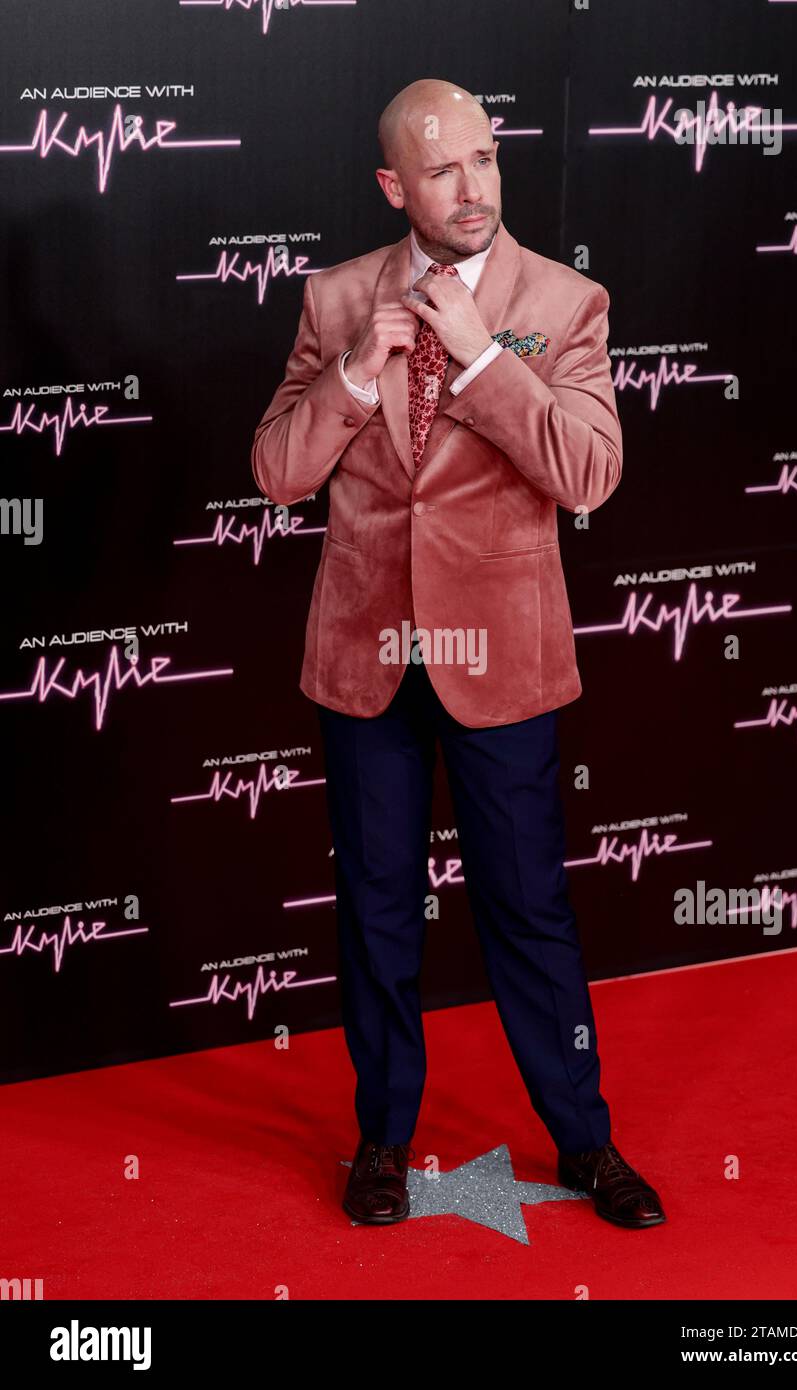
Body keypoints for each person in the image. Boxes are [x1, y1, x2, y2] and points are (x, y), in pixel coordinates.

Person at [251, 78, 665, 1231]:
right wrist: (347, 378)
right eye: (442, 169)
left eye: (484, 159)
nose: (472, 186)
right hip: (366, 655)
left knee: (527, 906)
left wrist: (483, 363)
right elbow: (277, 472)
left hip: (504, 658)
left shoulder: (562, 300)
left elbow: (585, 472)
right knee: (378, 902)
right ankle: (381, 1138)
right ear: (395, 186)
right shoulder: (336, 298)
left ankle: (583, 1142)